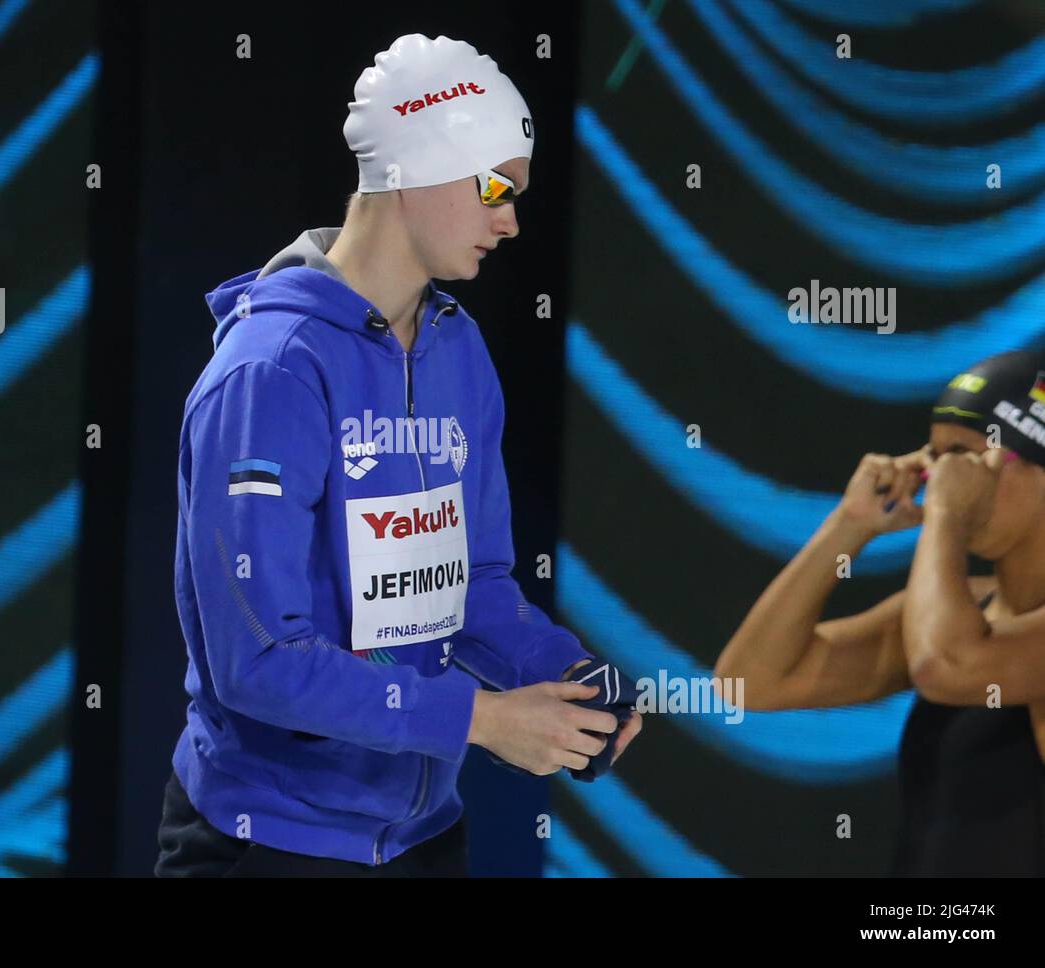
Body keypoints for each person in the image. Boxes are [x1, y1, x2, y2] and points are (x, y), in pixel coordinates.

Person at [155, 33, 642, 878]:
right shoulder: (273, 368)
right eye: (496, 186)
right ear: (418, 166)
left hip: (423, 841)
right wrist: (481, 721)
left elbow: (473, 586)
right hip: (267, 843)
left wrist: (564, 679)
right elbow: (258, 663)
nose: (511, 219)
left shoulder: (460, 349)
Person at [714, 351, 1045, 874]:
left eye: (961, 456)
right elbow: (749, 682)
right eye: (933, 459)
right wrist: (852, 526)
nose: (939, 478)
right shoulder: (959, 612)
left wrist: (947, 517)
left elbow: (946, 669)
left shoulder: (955, 641)